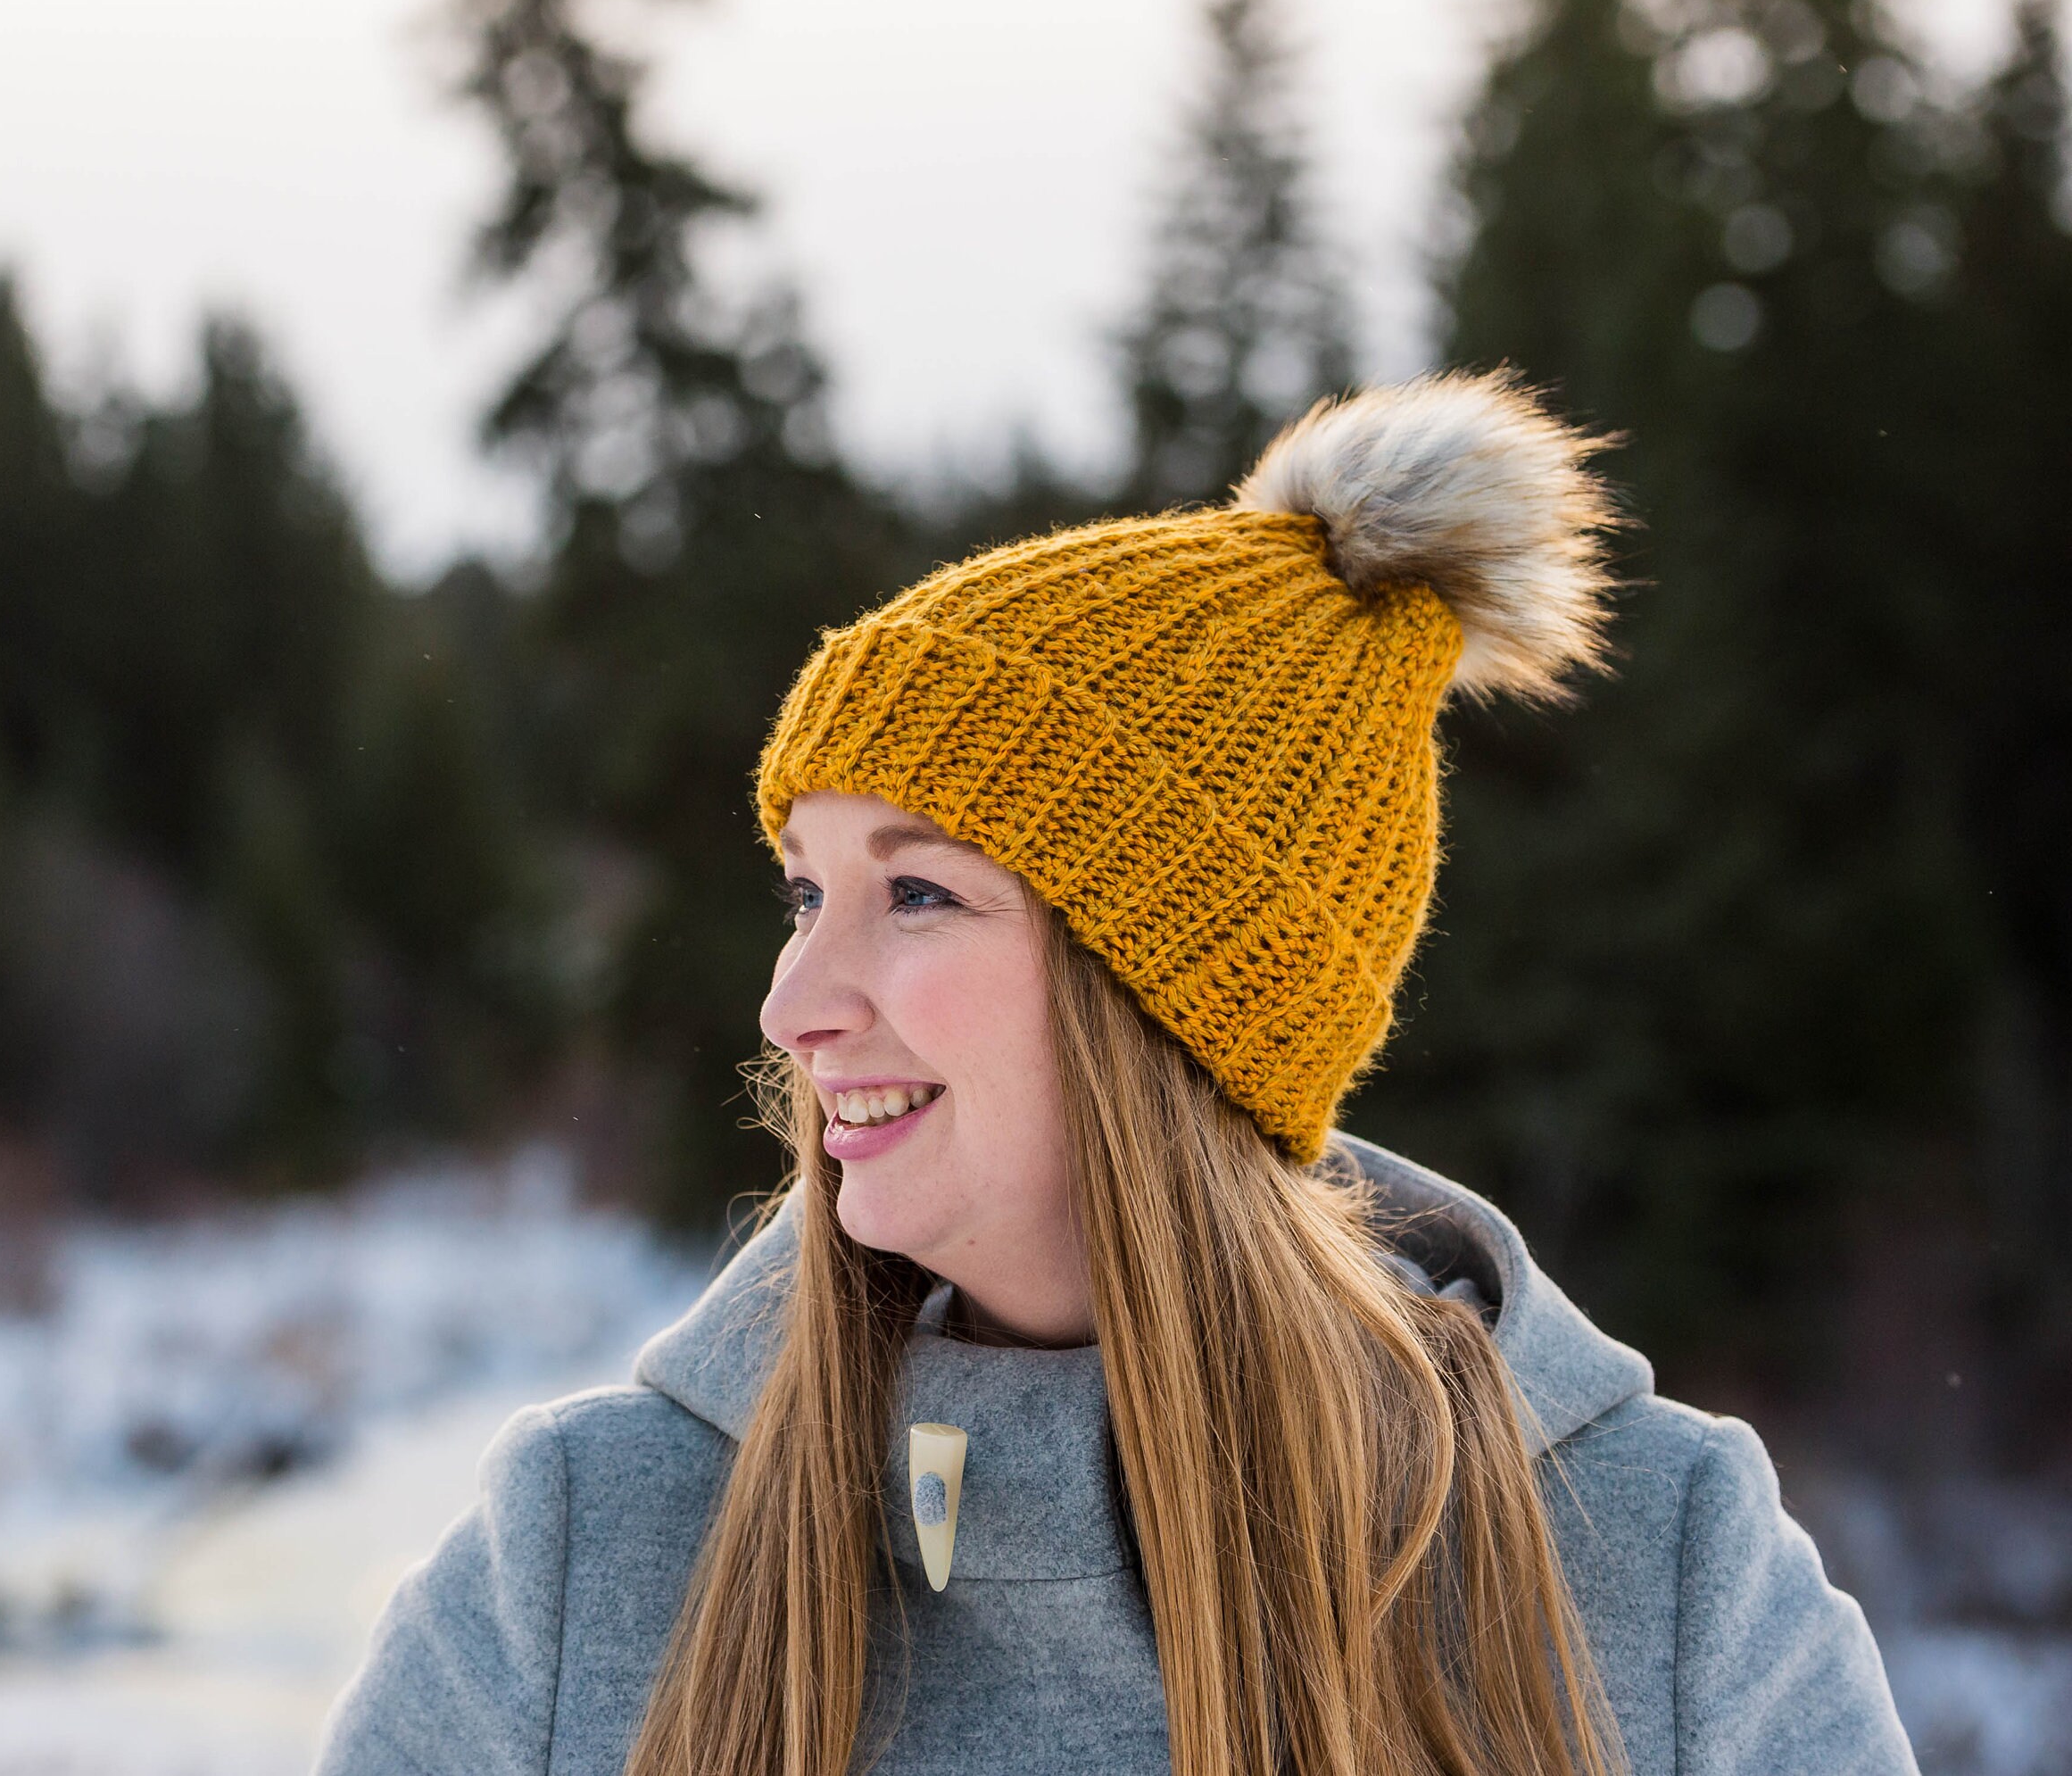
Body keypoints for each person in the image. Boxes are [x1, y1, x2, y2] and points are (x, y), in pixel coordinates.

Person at [312, 370, 1917, 1776]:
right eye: (805, 891)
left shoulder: (1654, 1571)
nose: (793, 1000)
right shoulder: (596, 1551)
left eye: (916, 891)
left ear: (1174, 1002)